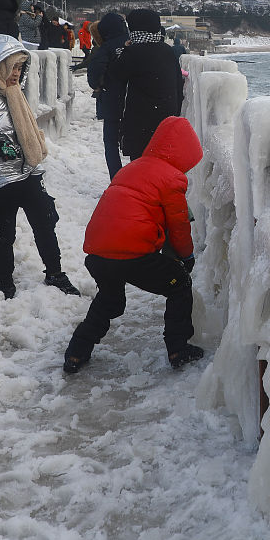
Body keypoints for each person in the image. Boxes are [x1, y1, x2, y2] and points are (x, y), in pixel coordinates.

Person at [62, 115, 204, 373]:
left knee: (110, 299)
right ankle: (178, 348)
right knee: (179, 284)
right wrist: (187, 256)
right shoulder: (173, 178)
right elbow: (179, 225)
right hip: (133, 254)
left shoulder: (133, 167)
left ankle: (76, 352)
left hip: (97, 251)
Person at [0, 34, 80, 300]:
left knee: (45, 219)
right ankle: (5, 283)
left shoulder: (14, 91)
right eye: (13, 67)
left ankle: (55, 272)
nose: (17, 73)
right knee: (1, 231)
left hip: (26, 168)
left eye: (21, 68)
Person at [110, 8, 185, 160]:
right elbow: (179, 84)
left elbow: (115, 75)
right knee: (162, 161)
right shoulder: (168, 50)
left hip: (141, 122)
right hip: (167, 119)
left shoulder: (133, 52)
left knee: (142, 163)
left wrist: (123, 50)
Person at [86, 11, 131, 177]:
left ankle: (117, 179)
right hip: (135, 102)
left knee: (111, 143)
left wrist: (98, 85)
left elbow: (94, 73)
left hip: (112, 102)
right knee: (135, 143)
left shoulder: (105, 47)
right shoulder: (133, 42)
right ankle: (138, 181)